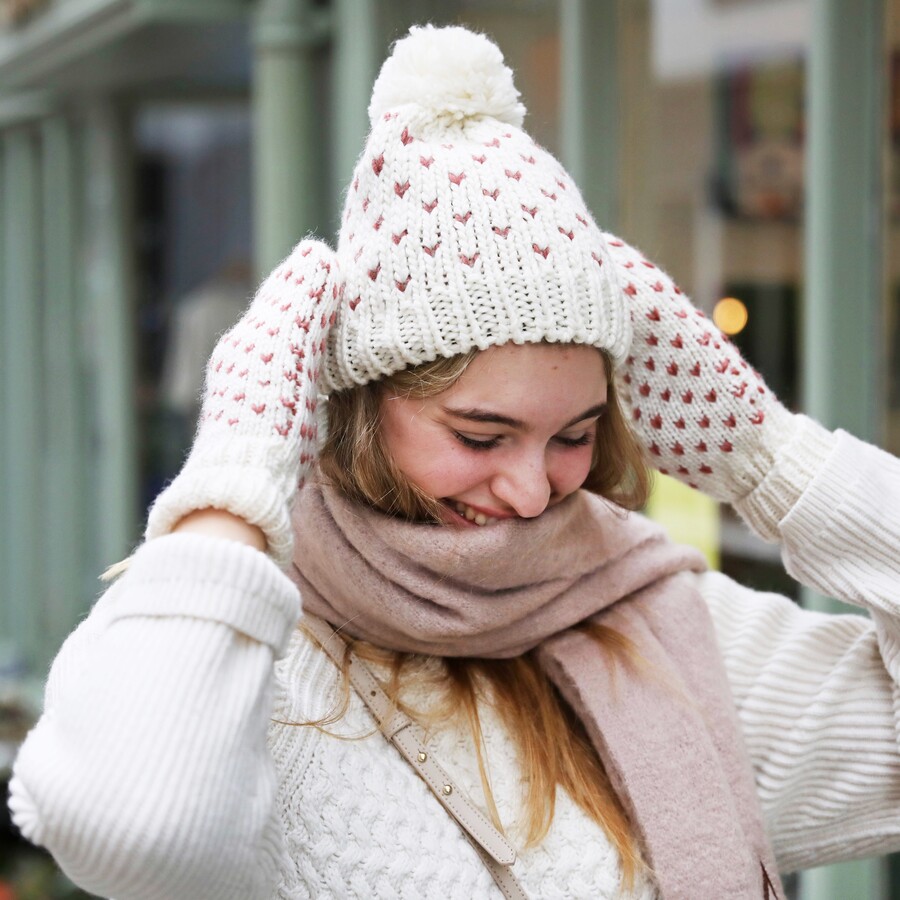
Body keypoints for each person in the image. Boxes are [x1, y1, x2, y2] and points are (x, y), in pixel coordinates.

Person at [8, 24, 900, 900]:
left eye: (575, 435)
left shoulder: (656, 623)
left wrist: (766, 458)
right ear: (358, 408)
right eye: (480, 436)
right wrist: (235, 477)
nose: (530, 489)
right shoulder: (227, 644)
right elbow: (132, 827)